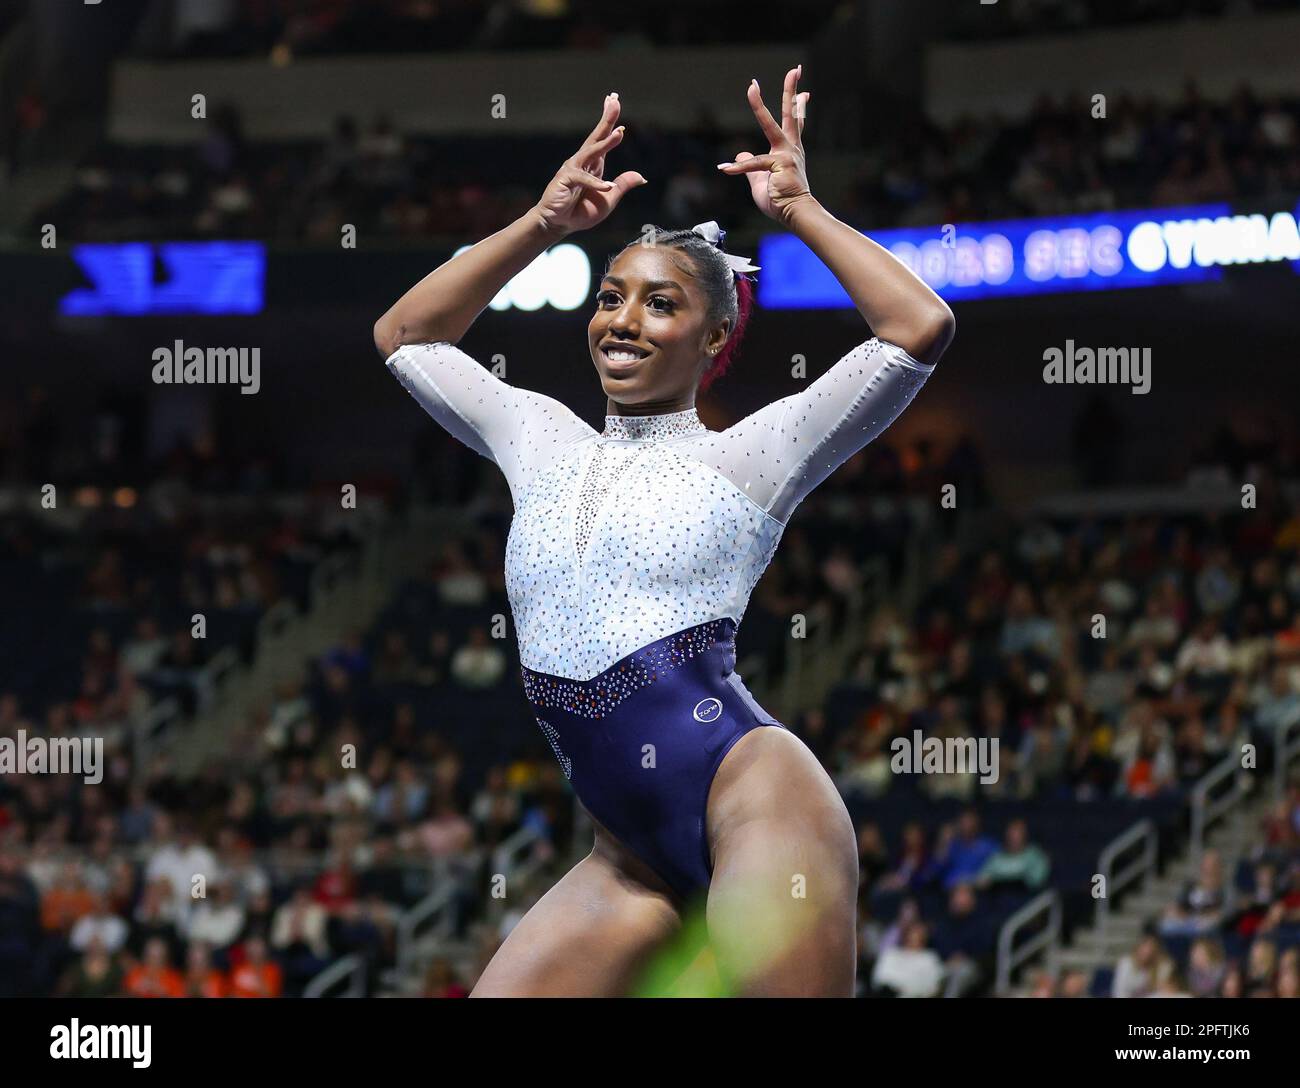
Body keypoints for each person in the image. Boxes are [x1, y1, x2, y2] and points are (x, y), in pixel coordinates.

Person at [374, 66, 954, 997]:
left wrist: (800, 208)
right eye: (611, 296)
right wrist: (541, 226)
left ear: (716, 336)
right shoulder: (539, 436)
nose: (623, 320)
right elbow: (406, 335)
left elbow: (917, 325)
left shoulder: (754, 455)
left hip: (754, 802)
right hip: (625, 854)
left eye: (659, 302)